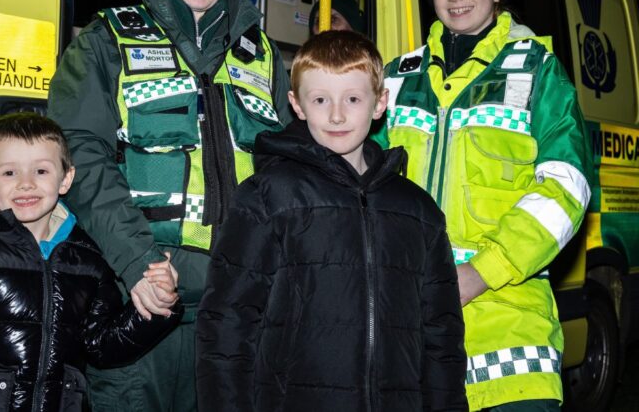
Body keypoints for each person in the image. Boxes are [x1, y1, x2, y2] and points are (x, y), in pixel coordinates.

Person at [48, 0, 292, 411]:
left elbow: (288, 169)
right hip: (148, 294)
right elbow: (82, 159)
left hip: (241, 301)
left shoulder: (264, 56)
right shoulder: (106, 40)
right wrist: (139, 263)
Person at [372, 0, 591, 411]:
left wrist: (480, 272)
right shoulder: (397, 76)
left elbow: (567, 190)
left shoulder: (538, 71)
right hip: (410, 324)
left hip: (509, 329)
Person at [196, 30, 467, 411]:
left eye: (353, 99)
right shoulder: (267, 197)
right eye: (320, 99)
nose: (337, 114)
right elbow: (227, 326)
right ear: (297, 104)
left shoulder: (419, 212)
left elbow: (443, 339)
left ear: (380, 102)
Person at [0, 113, 182, 412]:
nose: (26, 184)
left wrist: (156, 304)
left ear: (66, 178)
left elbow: (102, 347)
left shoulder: (88, 260)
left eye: (41, 171)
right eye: (9, 173)